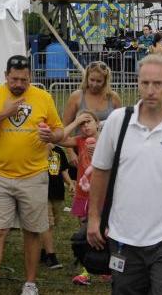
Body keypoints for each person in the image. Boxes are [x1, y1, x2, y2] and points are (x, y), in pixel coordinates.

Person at [86, 54, 162, 295]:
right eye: (145, 83)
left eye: (157, 83)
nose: (151, 90)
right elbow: (101, 171)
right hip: (123, 237)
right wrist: (93, 217)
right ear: (137, 83)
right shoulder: (117, 121)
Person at [0, 55, 66, 295]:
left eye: (24, 80)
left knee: (32, 231)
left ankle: (30, 283)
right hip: (0, 176)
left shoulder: (43, 97)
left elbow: (59, 131)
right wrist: (3, 113)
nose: (19, 84)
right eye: (14, 79)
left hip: (34, 175)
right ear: (6, 76)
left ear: (30, 77)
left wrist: (52, 136)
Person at [58, 112, 100, 285]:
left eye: (88, 122)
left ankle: (106, 266)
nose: (85, 126)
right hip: (83, 195)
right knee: (84, 232)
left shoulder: (107, 140)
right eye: (82, 124)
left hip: (101, 195)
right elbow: (59, 139)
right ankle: (87, 269)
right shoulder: (79, 141)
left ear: (97, 123)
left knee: (104, 230)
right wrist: (75, 122)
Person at [40, 144, 73, 272]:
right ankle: (51, 256)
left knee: (54, 221)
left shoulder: (59, 151)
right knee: (48, 223)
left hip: (57, 192)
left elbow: (63, 170)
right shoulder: (38, 148)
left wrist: (70, 183)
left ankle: (43, 251)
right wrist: (46, 150)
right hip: (43, 191)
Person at [63, 61, 123, 126]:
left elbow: (120, 123)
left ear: (105, 81)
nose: (94, 84)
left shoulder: (113, 97)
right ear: (86, 78)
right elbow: (65, 126)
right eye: (92, 80)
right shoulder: (76, 96)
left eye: (99, 81)